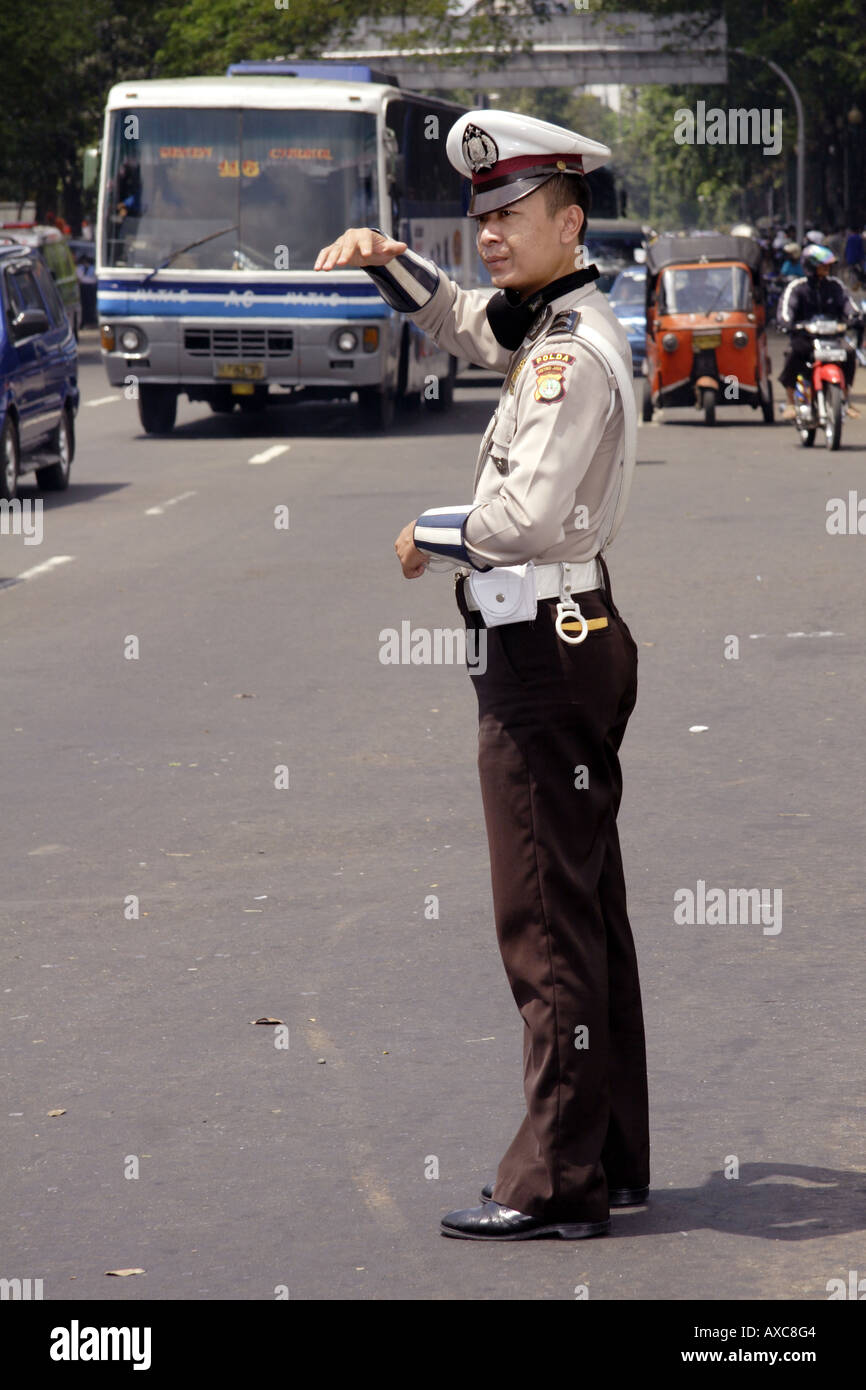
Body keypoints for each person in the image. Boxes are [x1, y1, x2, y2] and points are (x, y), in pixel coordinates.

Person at [315, 108, 650, 1241]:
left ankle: (554, 1177)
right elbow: (461, 322)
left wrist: (429, 529)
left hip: (539, 653)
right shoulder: (560, 319)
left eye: (510, 216)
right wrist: (385, 261)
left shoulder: (565, 354)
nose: (489, 236)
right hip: (572, 635)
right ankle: (606, 1152)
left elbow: (523, 514)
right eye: (480, 217)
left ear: (569, 220)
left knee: (542, 918)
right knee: (584, 899)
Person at [778, 244, 861, 419]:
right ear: (810, 266)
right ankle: (790, 402)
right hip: (805, 338)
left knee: (849, 352)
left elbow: (849, 306)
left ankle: (845, 398)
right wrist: (787, 323)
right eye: (822, 265)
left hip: (833, 338)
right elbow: (786, 310)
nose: (826, 268)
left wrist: (855, 318)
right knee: (793, 353)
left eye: (828, 265)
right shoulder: (797, 287)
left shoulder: (835, 286)